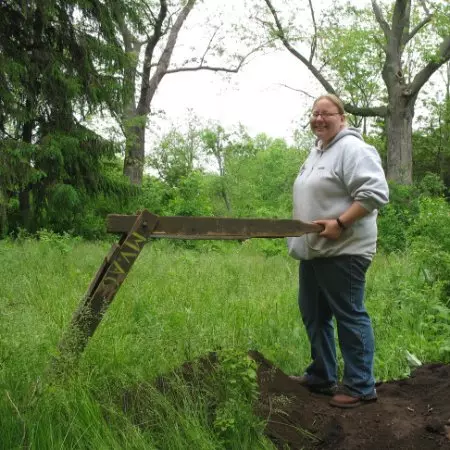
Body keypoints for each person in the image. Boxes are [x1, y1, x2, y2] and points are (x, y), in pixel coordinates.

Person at [287, 94, 389, 408]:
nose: (319, 119)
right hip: (314, 251)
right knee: (314, 315)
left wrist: (340, 223)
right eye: (314, 114)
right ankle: (322, 376)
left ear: (341, 117)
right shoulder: (317, 152)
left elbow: (375, 192)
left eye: (326, 114)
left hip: (344, 249)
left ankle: (360, 386)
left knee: (349, 315)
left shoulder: (352, 149)